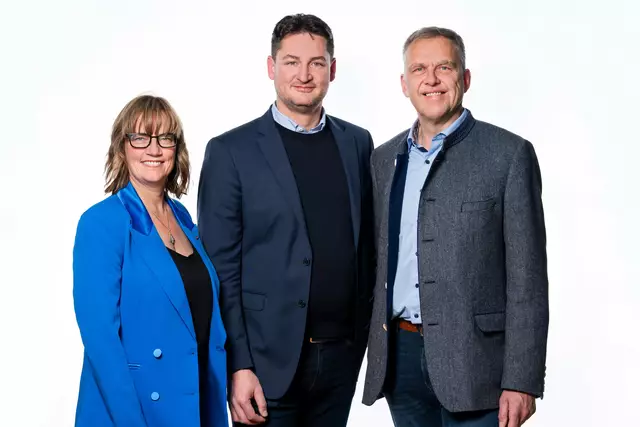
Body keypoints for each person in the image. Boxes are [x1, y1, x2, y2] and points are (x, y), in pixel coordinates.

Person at [362, 27, 550, 427]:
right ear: (404, 84)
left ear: (464, 78)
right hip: (401, 361)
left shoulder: (509, 155)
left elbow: (528, 279)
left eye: (444, 67)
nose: (431, 79)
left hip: (478, 363)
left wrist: (522, 379)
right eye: (419, 69)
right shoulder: (383, 160)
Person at [197, 13, 375, 427]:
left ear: (332, 69)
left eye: (316, 63)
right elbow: (220, 270)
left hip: (341, 360)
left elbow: (367, 245)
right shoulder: (230, 151)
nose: (304, 74)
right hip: (264, 366)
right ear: (271, 67)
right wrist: (238, 365)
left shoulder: (357, 143)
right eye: (292, 62)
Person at [72, 95, 229, 427]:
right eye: (140, 138)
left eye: (165, 138)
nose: (154, 149)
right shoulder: (101, 223)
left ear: (176, 148)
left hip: (195, 403)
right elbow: (101, 341)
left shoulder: (183, 218)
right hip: (135, 411)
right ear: (122, 147)